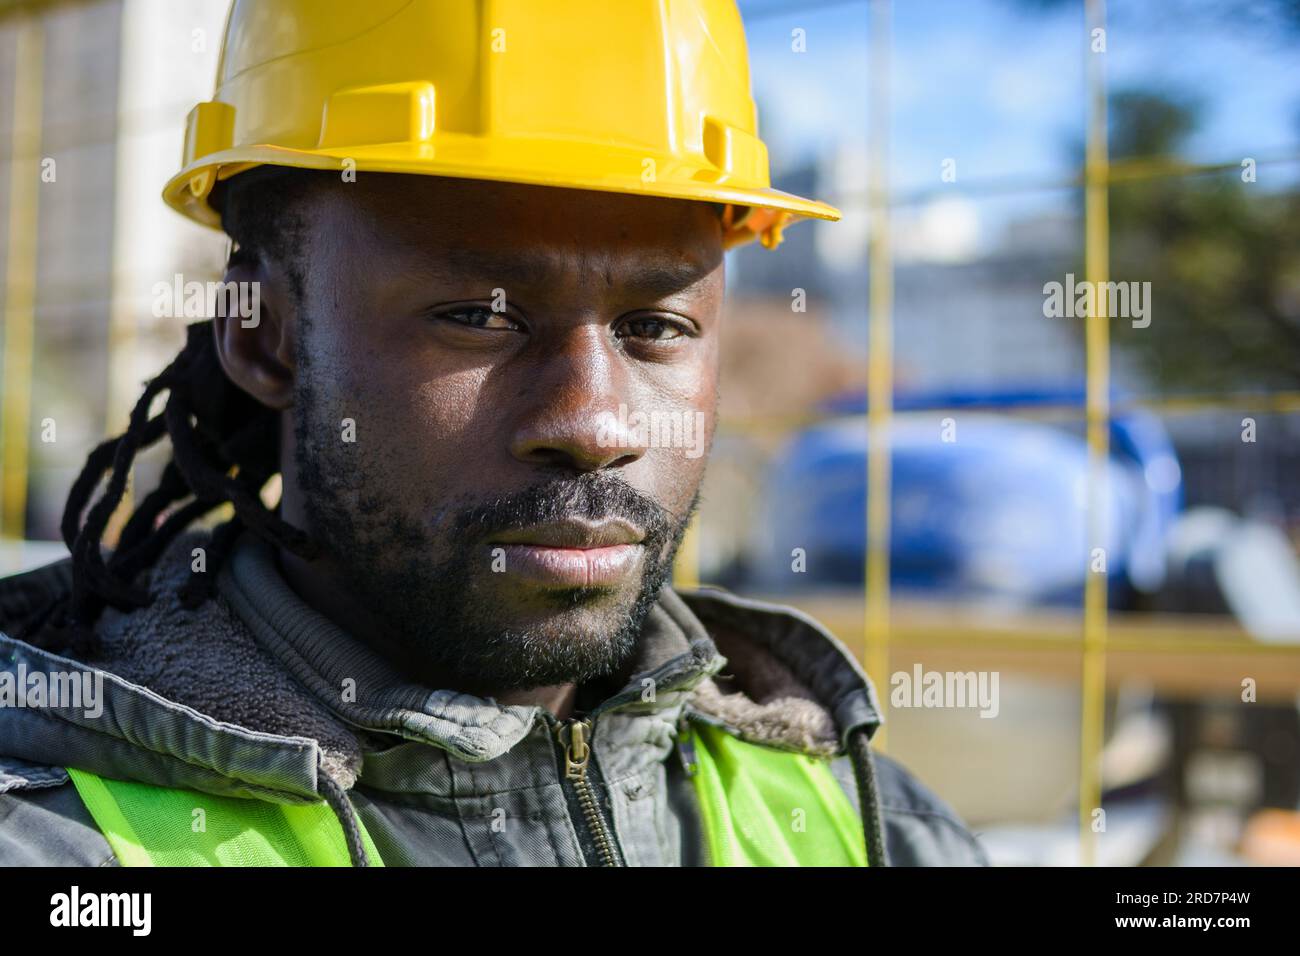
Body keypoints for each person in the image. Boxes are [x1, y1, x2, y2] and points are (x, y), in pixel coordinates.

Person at [0, 0, 987, 867]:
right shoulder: (59, 833)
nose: (593, 422)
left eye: (655, 327)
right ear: (266, 336)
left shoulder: (871, 825)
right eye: (479, 316)